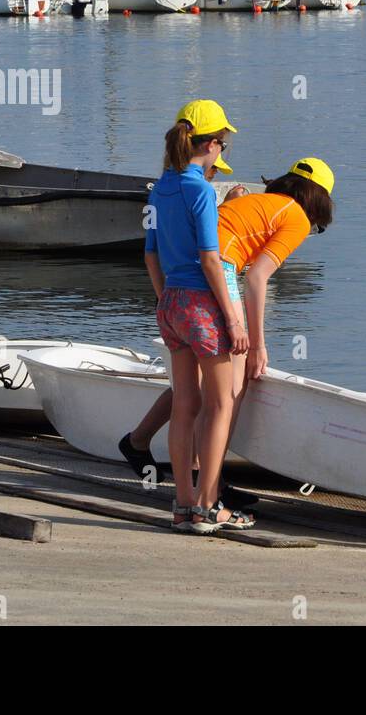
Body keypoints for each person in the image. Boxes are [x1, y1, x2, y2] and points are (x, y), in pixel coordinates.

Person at [125, 158, 336, 518]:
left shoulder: (248, 200)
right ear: (319, 202)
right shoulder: (297, 217)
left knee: (194, 394)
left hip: (181, 282)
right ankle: (211, 493)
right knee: (230, 395)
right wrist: (258, 345)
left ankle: (193, 491)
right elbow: (256, 279)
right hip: (218, 274)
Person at [144, 99, 248, 534]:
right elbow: (210, 260)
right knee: (221, 404)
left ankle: (183, 505)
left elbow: (150, 256)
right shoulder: (201, 191)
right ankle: (209, 505)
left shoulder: (160, 188)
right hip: (203, 303)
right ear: (209, 145)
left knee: (185, 404)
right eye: (222, 144)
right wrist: (234, 319)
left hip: (170, 303)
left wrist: (168, 299)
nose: (223, 151)